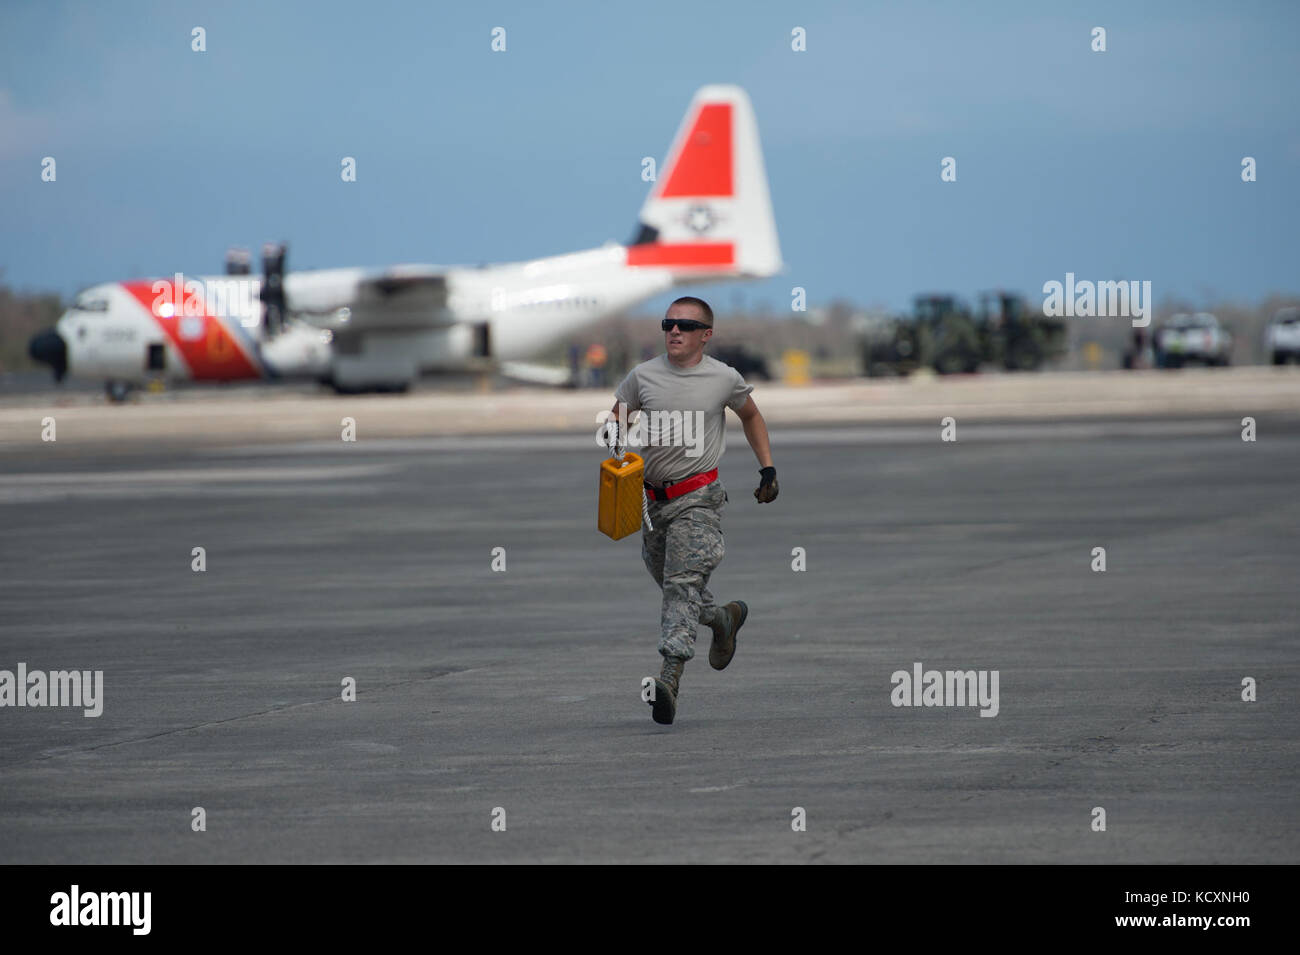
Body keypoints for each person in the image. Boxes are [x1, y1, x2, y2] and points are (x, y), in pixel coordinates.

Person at [605, 296, 778, 725]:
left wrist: (768, 468)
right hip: (650, 503)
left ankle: (669, 678)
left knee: (680, 586)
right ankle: (722, 619)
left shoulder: (724, 378)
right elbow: (616, 420)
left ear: (706, 334)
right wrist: (613, 437)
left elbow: (751, 416)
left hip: (698, 500)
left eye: (685, 325)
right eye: (668, 324)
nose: (674, 331)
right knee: (673, 586)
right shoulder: (642, 377)